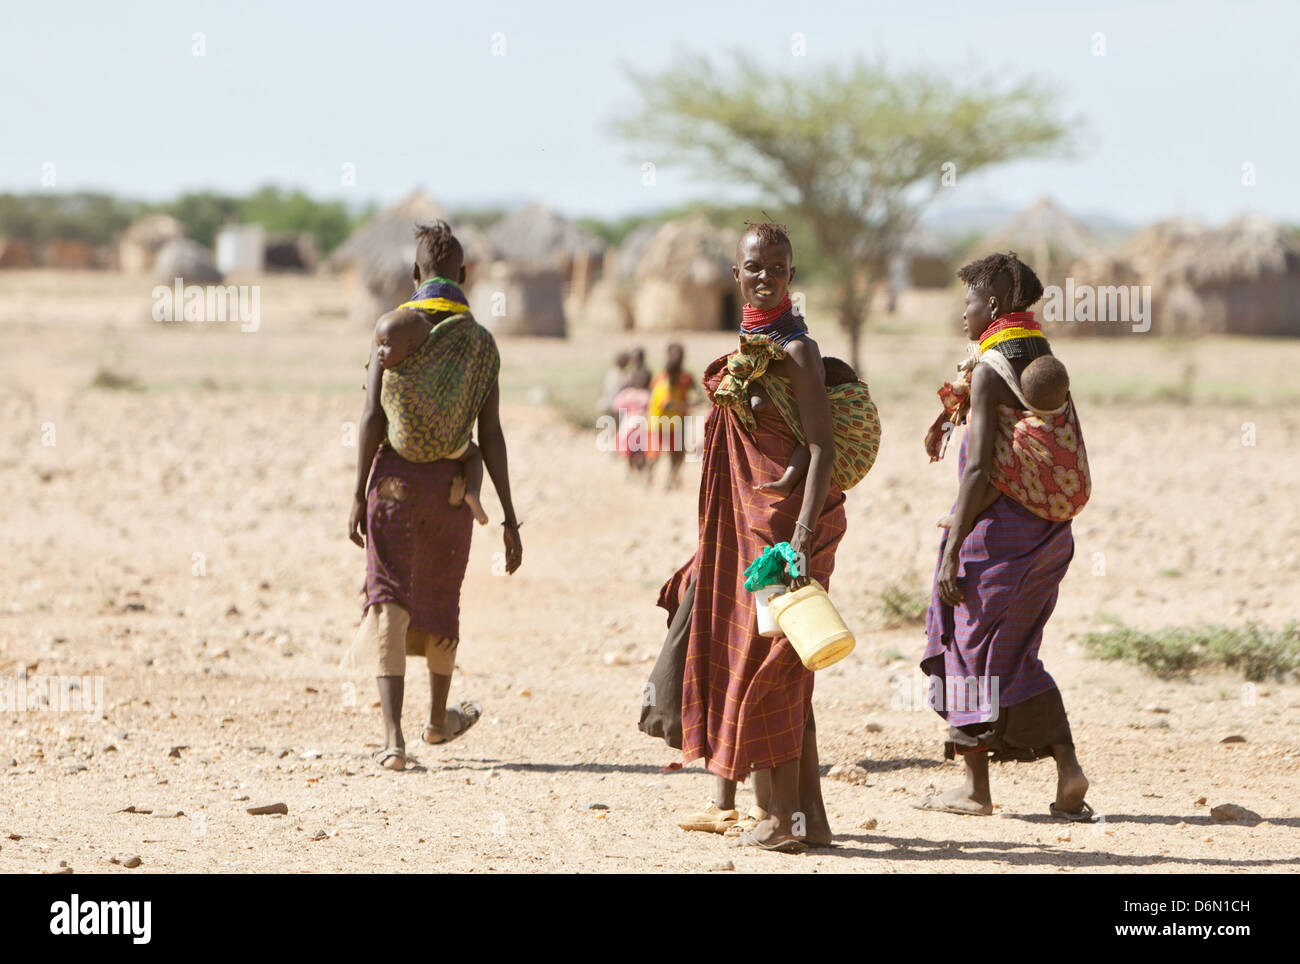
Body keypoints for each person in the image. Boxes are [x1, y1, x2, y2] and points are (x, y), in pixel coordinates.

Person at [657, 220, 879, 852]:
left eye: (776, 268)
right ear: (736, 275)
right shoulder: (750, 347)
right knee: (783, 662)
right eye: (753, 267)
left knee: (776, 663)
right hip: (747, 531)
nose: (764, 276)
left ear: (791, 275)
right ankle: (808, 817)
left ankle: (783, 820)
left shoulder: (797, 351)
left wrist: (802, 536)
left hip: (784, 534)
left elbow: (821, 448)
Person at [913, 251, 1092, 821]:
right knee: (1016, 651)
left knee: (966, 649)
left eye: (968, 300)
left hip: (998, 538)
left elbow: (979, 468)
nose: (962, 311)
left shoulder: (993, 366)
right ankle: (1067, 771)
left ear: (991, 303)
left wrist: (953, 549)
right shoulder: (1038, 352)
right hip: (1048, 533)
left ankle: (974, 787)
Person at [346, 220, 522, 772]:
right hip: (450, 490)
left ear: (416, 274)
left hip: (394, 483)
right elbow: (490, 435)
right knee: (442, 596)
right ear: (464, 275)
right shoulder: (481, 345)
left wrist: (355, 494)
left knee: (389, 596)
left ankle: (394, 738)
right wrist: (512, 519)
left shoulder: (393, 332)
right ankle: (439, 720)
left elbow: (373, 417)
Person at [373, 311, 488, 525]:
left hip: (401, 447)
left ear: (410, 347)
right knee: (474, 454)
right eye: (378, 345)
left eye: (386, 345)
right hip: (447, 447)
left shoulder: (389, 378)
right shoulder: (428, 374)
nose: (379, 352)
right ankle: (473, 491)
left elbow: (375, 414)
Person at [935, 353, 1072, 528]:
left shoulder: (1022, 434)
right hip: (1064, 506)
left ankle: (963, 518)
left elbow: (980, 470)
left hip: (1034, 500)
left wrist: (959, 525)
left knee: (1001, 478)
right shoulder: (1065, 422)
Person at [647, 343, 699, 488]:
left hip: (677, 421)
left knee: (676, 452)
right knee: (655, 453)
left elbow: (697, 392)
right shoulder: (662, 381)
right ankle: (651, 478)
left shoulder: (685, 378)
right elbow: (662, 403)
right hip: (662, 423)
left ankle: (671, 478)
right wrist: (686, 406)